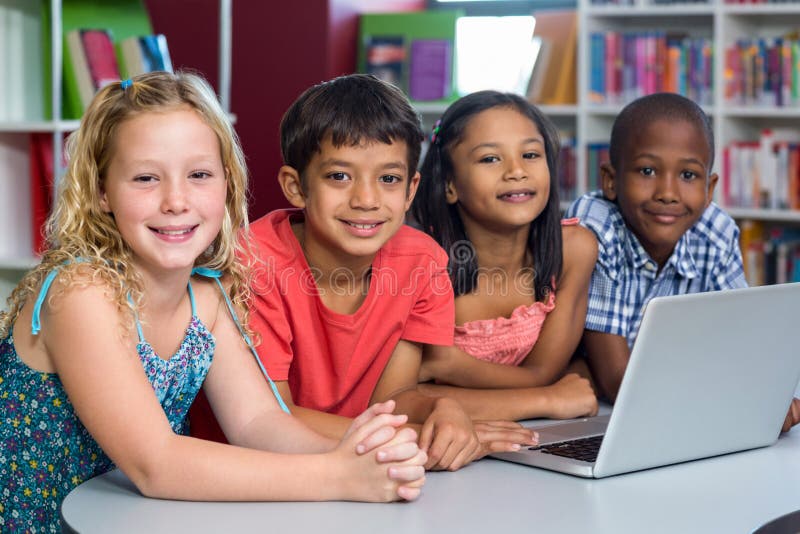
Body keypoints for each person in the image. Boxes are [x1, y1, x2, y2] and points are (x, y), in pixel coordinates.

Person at [0, 72, 428, 532]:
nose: (176, 201)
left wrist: (363, 455)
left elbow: (257, 421)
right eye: (146, 178)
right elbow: (156, 464)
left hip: (131, 519)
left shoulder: (206, 294)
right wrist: (336, 476)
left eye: (199, 175)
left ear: (227, 182)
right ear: (102, 191)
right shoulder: (81, 293)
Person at [190, 74, 537, 471]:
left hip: (356, 470)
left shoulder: (422, 263)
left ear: (410, 190)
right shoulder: (252, 263)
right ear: (296, 186)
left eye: (389, 179)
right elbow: (272, 417)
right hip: (241, 474)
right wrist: (414, 439)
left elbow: (393, 398)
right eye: (339, 176)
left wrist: (443, 410)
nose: (367, 199)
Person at [564, 92, 800, 431]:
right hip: (600, 410)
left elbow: (742, 341)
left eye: (688, 175)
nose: (668, 193)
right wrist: (733, 402)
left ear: (709, 189)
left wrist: (767, 396)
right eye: (647, 171)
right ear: (611, 180)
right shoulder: (597, 226)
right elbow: (617, 381)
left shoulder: (715, 233)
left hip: (671, 399)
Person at [408, 90, 598, 422]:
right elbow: (400, 399)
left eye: (530, 154)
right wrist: (549, 400)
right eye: (490, 159)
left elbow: (542, 372)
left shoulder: (573, 250)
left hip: (532, 432)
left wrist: (449, 365)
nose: (516, 171)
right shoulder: (421, 266)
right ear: (450, 185)